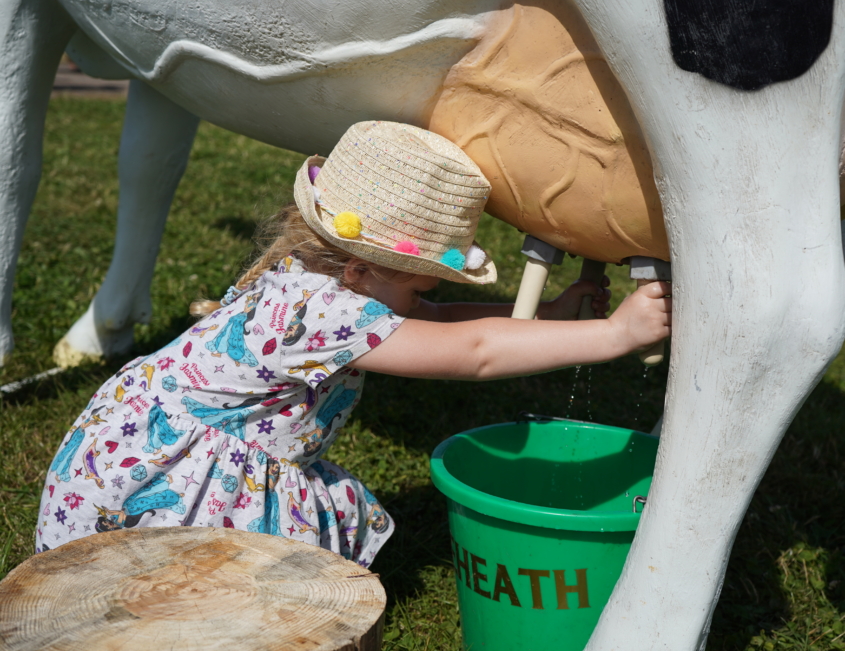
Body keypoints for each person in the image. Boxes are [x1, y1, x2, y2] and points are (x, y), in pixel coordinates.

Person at [36, 121, 670, 567]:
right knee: (191, 591)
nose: (425, 299)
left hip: (139, 439)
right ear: (361, 272)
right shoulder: (323, 314)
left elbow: (435, 319)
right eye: (422, 281)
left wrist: (552, 315)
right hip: (171, 475)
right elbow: (473, 351)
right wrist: (614, 335)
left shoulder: (313, 278)